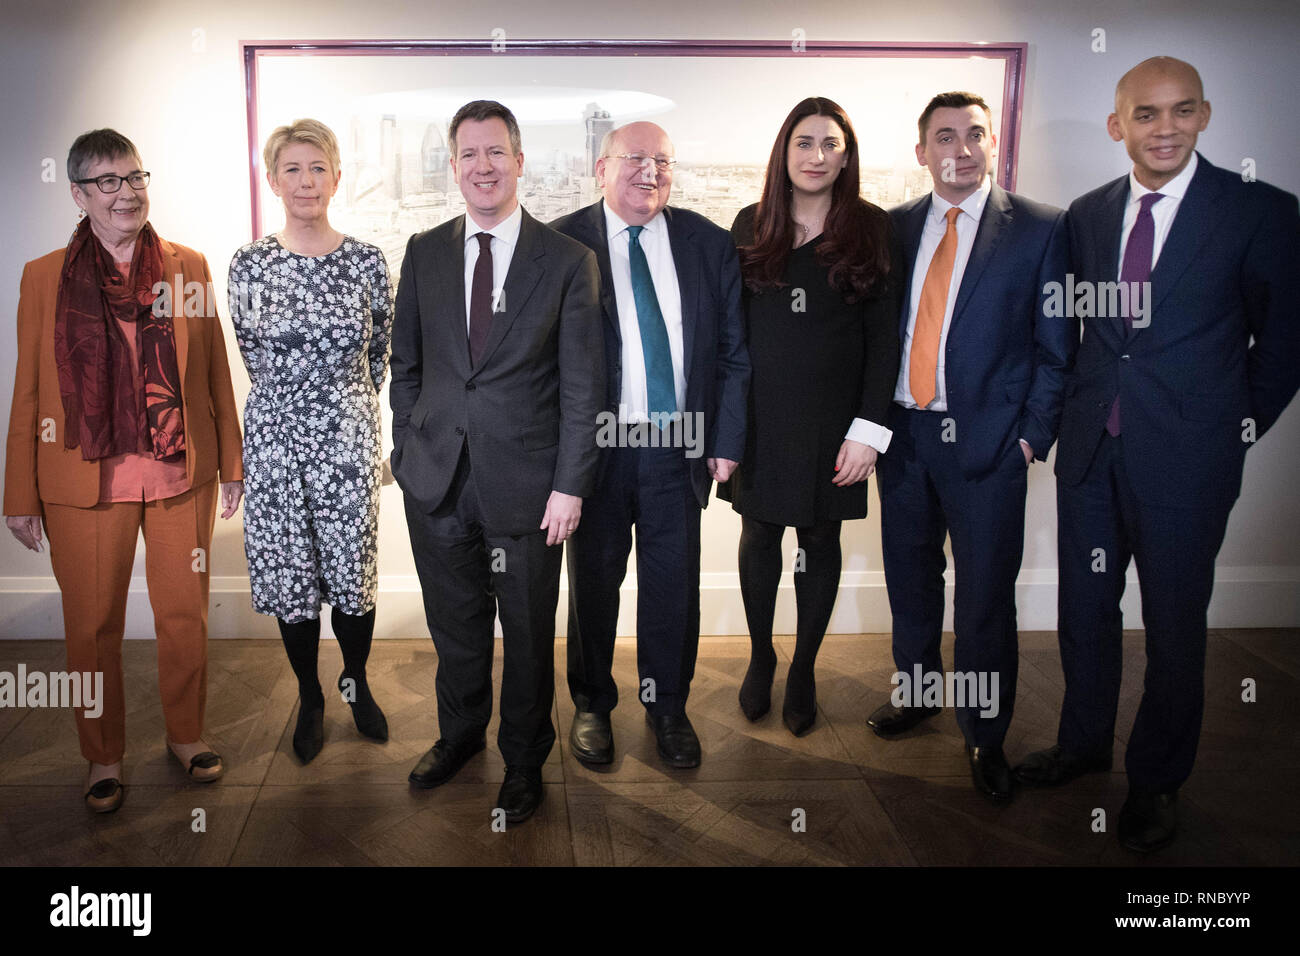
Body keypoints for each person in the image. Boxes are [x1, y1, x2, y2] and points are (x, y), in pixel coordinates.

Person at [1016, 57, 1300, 850]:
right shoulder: (1088, 213)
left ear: (1204, 115)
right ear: (1119, 126)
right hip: (1090, 456)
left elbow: (1283, 341)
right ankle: (1081, 746)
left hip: (1189, 460)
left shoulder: (1259, 212)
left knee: (1175, 627)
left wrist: (1232, 424)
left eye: (1181, 111)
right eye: (1146, 114)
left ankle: (1156, 782)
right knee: (1084, 613)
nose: (1164, 127)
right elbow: (1072, 325)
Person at [3, 129, 244, 812]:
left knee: (183, 616)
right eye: (107, 182)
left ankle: (187, 737)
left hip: (177, 475)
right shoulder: (43, 275)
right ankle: (102, 756)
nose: (125, 193)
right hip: (86, 481)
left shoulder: (187, 266)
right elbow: (28, 389)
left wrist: (231, 460)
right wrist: (19, 493)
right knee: (92, 624)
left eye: (134, 177)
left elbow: (214, 374)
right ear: (79, 194)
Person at [390, 100, 604, 823]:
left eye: (496, 153)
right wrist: (407, 447)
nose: (483, 167)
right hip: (437, 482)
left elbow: (584, 386)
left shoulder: (570, 261)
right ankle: (459, 737)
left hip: (529, 489)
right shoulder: (423, 250)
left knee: (529, 632)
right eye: (469, 155)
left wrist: (570, 485)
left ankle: (523, 758)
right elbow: (406, 364)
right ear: (453, 168)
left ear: (519, 161)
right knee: (455, 625)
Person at [865, 92, 1073, 804]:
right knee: (910, 578)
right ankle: (918, 693)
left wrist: (1030, 438)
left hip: (989, 444)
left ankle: (985, 732)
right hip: (904, 435)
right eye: (944, 136)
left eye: (974, 135)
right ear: (921, 150)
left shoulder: (1041, 228)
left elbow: (1057, 348)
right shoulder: (891, 229)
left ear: (993, 145)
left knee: (983, 595)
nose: (961, 148)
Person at [550, 122, 750, 769]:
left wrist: (725, 439)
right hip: (597, 448)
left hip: (677, 446)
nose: (649, 171)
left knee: (672, 588)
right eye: (633, 159)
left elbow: (733, 355)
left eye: (661, 160)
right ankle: (591, 704)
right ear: (601, 169)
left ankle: (667, 707)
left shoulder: (707, 243)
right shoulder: (560, 242)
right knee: (594, 586)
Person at [720, 97, 901, 736]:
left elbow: (886, 344)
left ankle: (804, 666)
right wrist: (726, 427)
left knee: (821, 540)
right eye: (804, 142)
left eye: (830, 144)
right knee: (760, 535)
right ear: (784, 151)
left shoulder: (873, 230)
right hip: (761, 421)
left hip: (837, 427)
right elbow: (730, 337)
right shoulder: (750, 224)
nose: (816, 156)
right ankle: (762, 653)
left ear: (846, 156)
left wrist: (869, 432)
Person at [228, 119, 393, 764]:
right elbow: (250, 350)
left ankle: (355, 683)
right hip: (273, 444)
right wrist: (292, 408)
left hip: (347, 443)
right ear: (273, 180)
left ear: (336, 177)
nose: (306, 181)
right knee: (293, 579)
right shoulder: (250, 263)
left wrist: (343, 412)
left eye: (317, 168)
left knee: (352, 575)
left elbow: (379, 354)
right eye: (292, 169)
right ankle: (311, 695)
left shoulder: (366, 260)